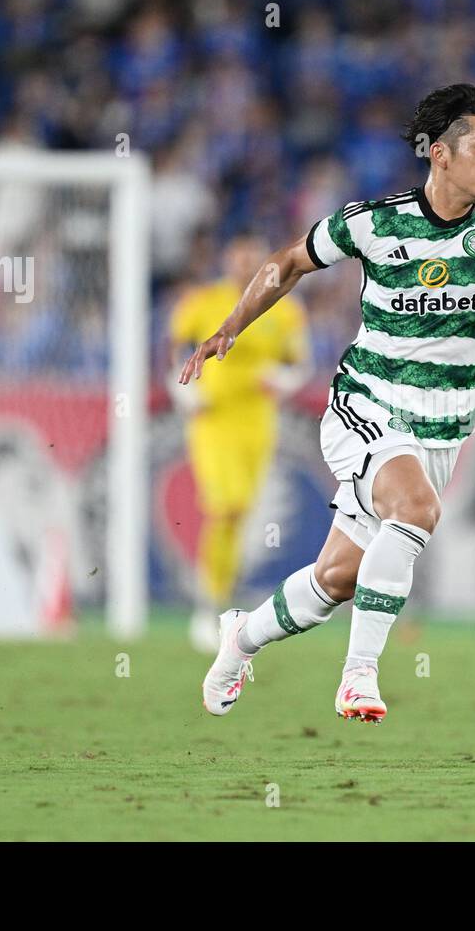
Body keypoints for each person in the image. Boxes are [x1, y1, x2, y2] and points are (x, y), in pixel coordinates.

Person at [180, 83, 475, 723]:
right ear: (441, 154)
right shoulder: (374, 222)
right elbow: (287, 264)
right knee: (417, 509)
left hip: (442, 431)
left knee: (337, 579)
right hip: (367, 403)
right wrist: (231, 325)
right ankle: (359, 677)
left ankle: (240, 636)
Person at [168, 234, 311, 651]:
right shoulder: (201, 303)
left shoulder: (285, 309)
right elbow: (173, 353)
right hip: (212, 420)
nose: (245, 259)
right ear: (226, 256)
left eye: (252, 251)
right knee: (225, 507)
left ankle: (219, 598)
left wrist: (281, 379)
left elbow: (300, 366)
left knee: (239, 514)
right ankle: (206, 604)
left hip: (257, 423)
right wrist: (184, 393)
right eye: (238, 250)